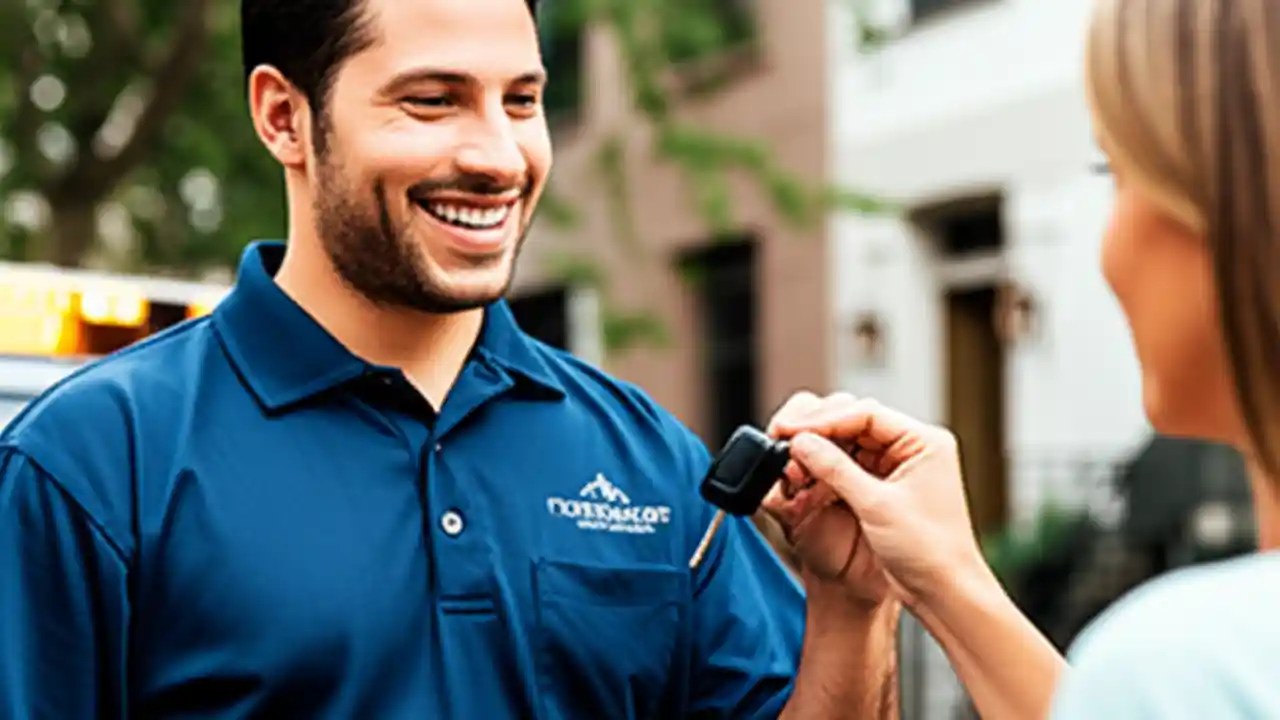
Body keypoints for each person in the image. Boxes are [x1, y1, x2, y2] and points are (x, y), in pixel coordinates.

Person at [0, 0, 898, 717]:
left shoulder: (648, 459)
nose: (498, 156)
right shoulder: (87, 466)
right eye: (432, 100)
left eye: (522, 100)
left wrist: (852, 609)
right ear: (284, 116)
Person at [762, 0, 1280, 717]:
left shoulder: (1180, 667)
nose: (1107, 251)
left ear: (1226, 213)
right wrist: (945, 577)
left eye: (1116, 174)